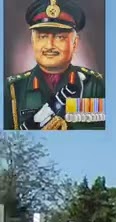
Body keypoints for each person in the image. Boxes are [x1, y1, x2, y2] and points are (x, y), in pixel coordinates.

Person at [5, 0, 107, 131]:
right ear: (32, 41)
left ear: (75, 43)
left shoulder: (94, 85)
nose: (50, 45)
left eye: (60, 37)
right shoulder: (12, 89)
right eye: (42, 36)